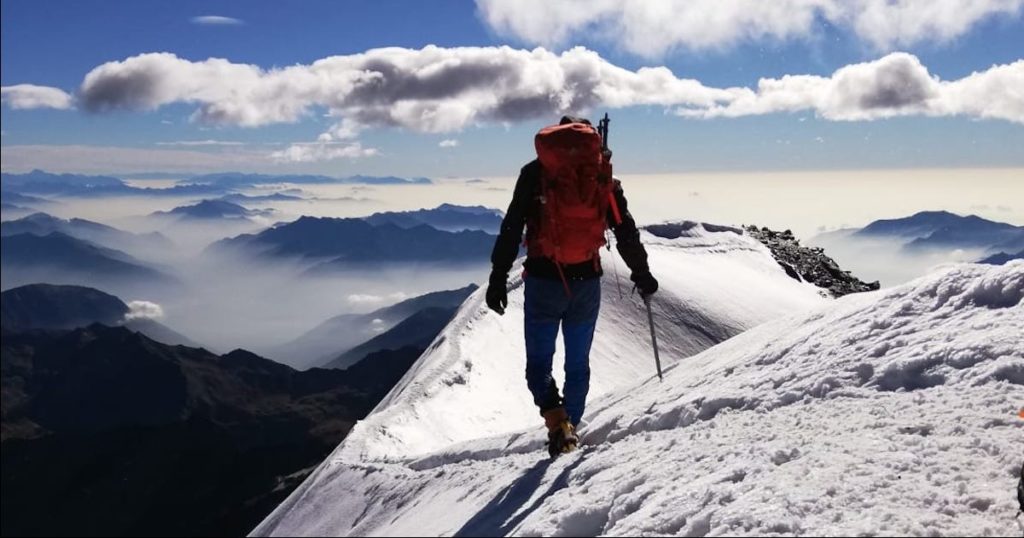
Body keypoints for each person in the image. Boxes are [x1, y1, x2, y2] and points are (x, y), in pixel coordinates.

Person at [485, 115, 659, 457]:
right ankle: (571, 429)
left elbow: (511, 227)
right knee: (577, 365)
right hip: (586, 285)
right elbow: (626, 232)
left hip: (542, 282)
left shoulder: (535, 173)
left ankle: (557, 423)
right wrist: (642, 273)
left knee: (538, 367)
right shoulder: (603, 178)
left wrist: (497, 277)